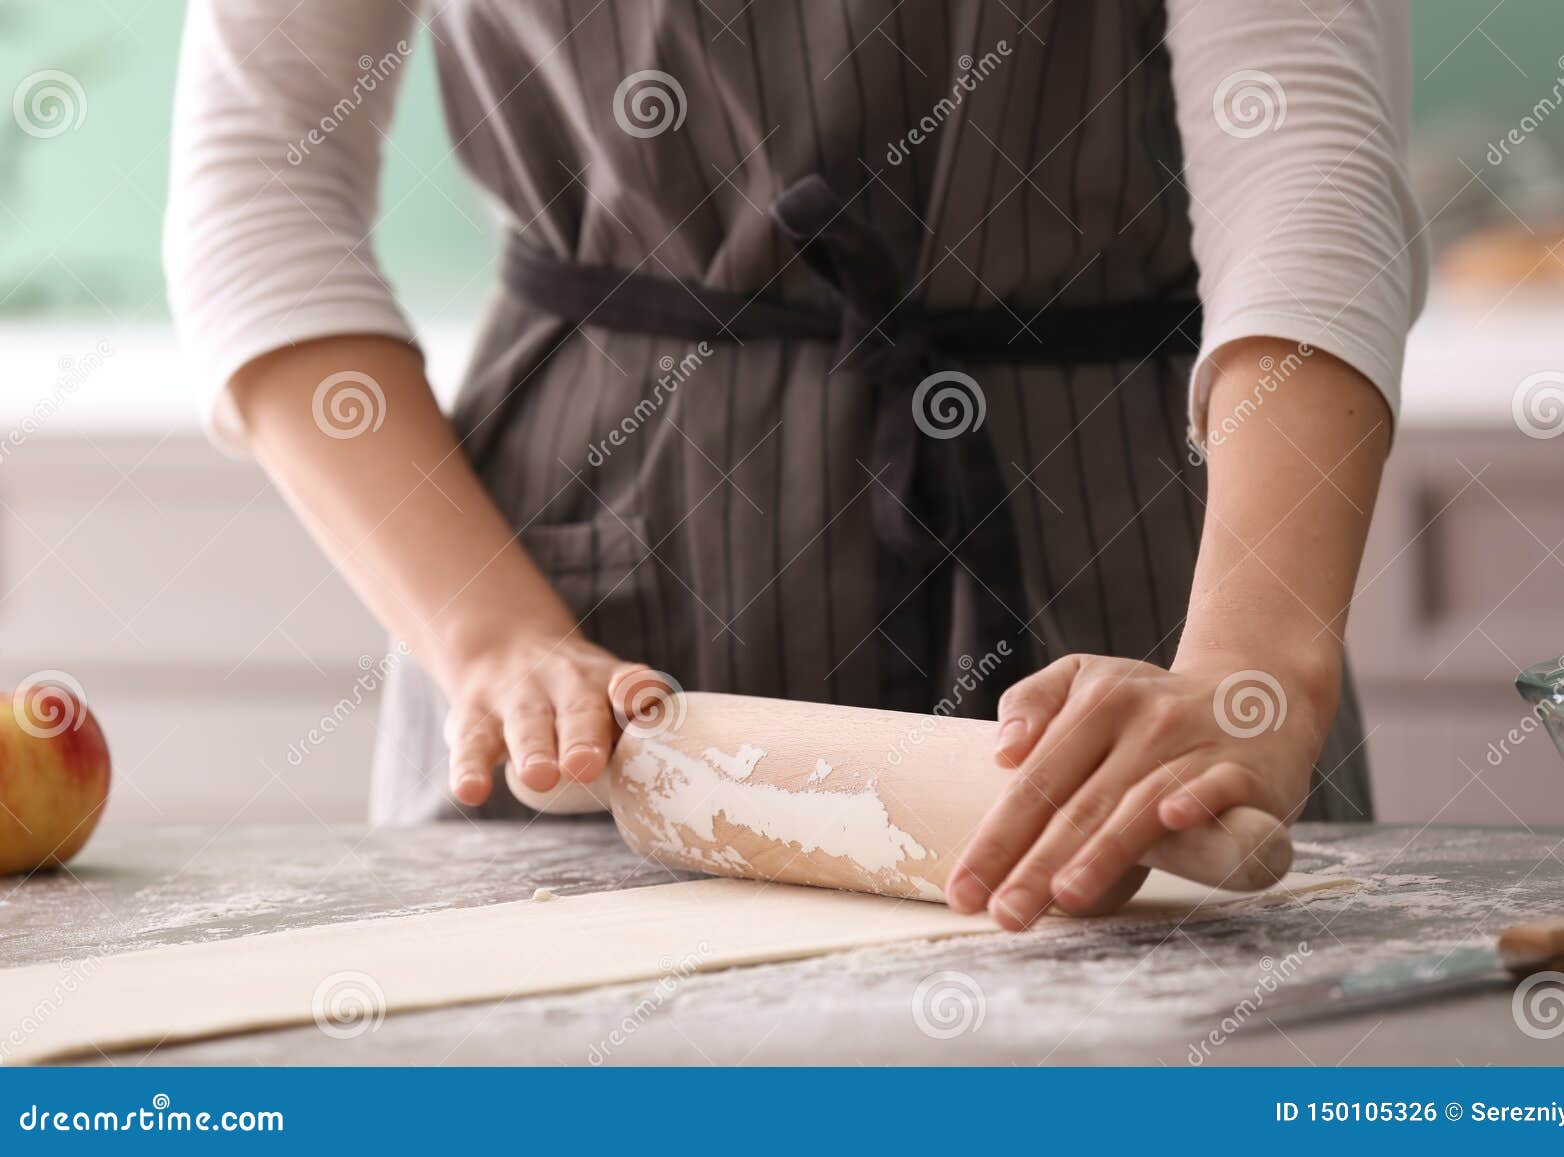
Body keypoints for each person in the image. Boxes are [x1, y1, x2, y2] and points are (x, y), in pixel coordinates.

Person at [165, 0, 1425, 929]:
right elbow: (256, 186)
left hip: (1131, 569)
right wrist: (489, 637)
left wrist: (1252, 667)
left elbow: (1301, 154)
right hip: (572, 587)